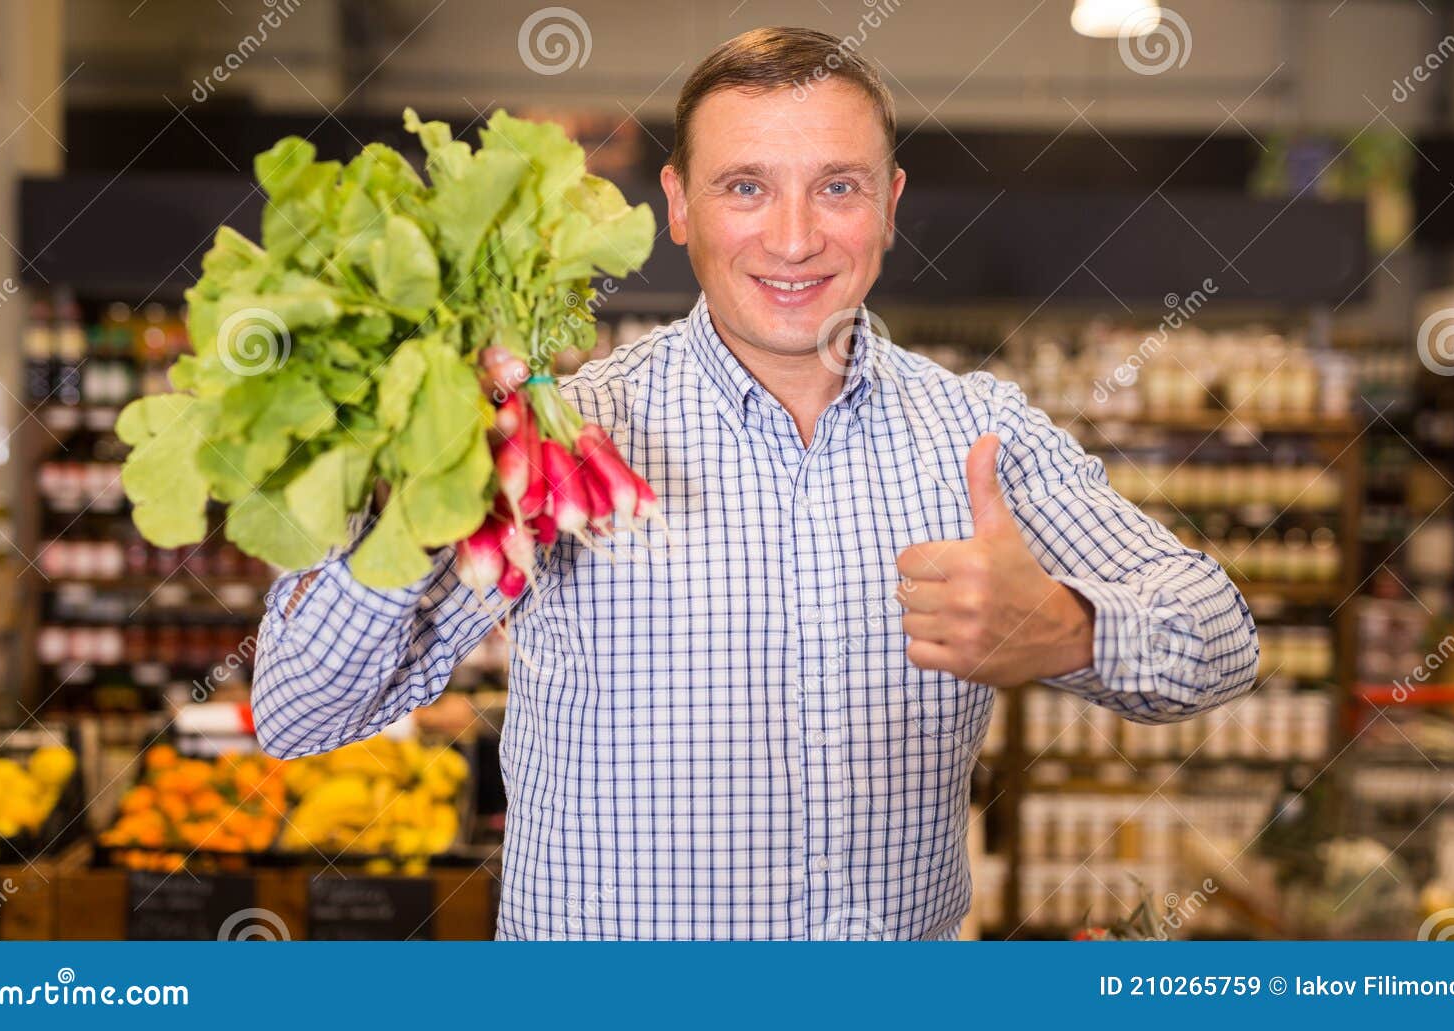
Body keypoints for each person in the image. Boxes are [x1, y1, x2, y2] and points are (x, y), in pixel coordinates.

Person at [252, 26, 1258, 941]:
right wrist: (428, 494)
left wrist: (1069, 630)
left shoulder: (979, 433)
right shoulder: (560, 432)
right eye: (745, 186)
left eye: (836, 186)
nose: (791, 238)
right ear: (680, 207)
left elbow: (1221, 635)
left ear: (890, 205)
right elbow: (299, 711)